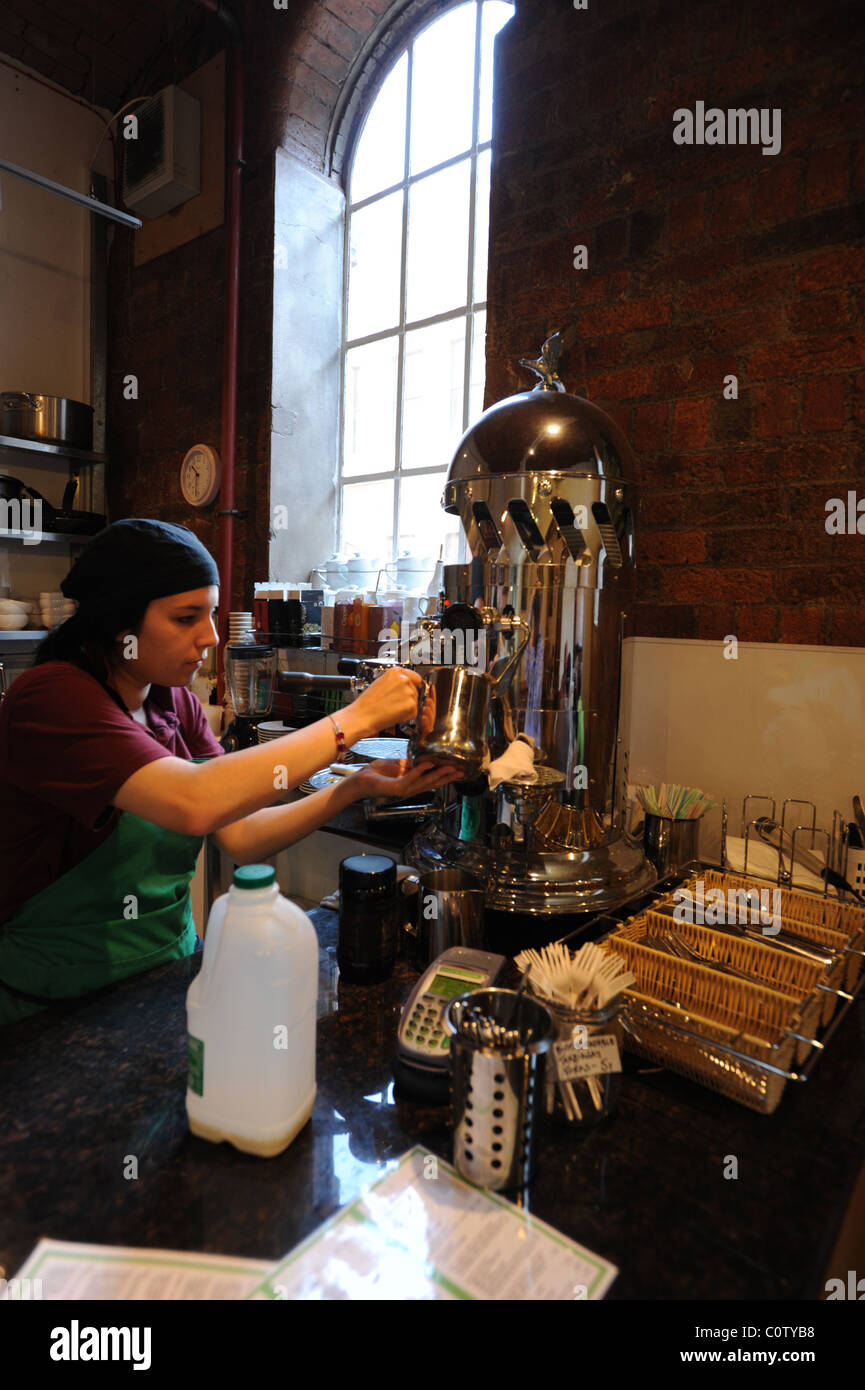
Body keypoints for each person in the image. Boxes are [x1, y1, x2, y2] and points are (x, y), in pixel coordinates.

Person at [0, 519, 454, 1026]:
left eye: (211, 614)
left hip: (167, 982)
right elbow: (195, 801)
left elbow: (238, 834)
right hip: (50, 1008)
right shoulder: (51, 698)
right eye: (185, 618)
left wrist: (354, 786)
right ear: (119, 623)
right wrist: (357, 717)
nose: (210, 637)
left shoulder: (174, 703)